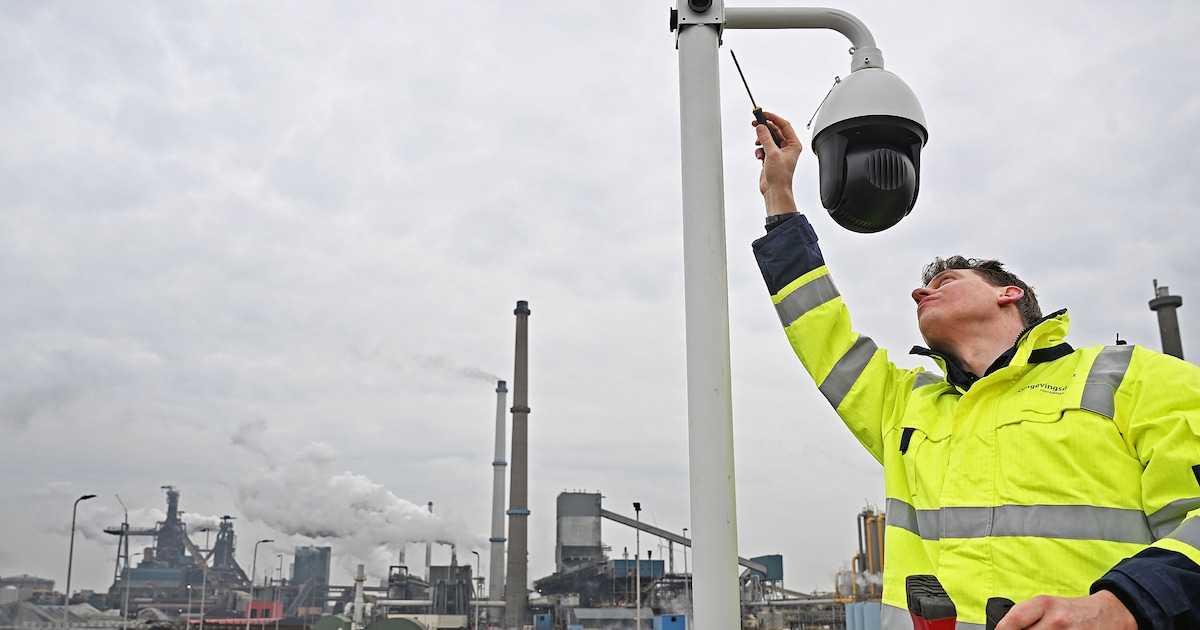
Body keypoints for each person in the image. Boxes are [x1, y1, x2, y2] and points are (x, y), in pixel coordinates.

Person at [749, 111, 1200, 630]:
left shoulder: (1133, 377)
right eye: (922, 288)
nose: (919, 291)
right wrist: (779, 194)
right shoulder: (905, 404)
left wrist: (1120, 606)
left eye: (945, 281)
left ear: (1010, 293)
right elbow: (819, 328)